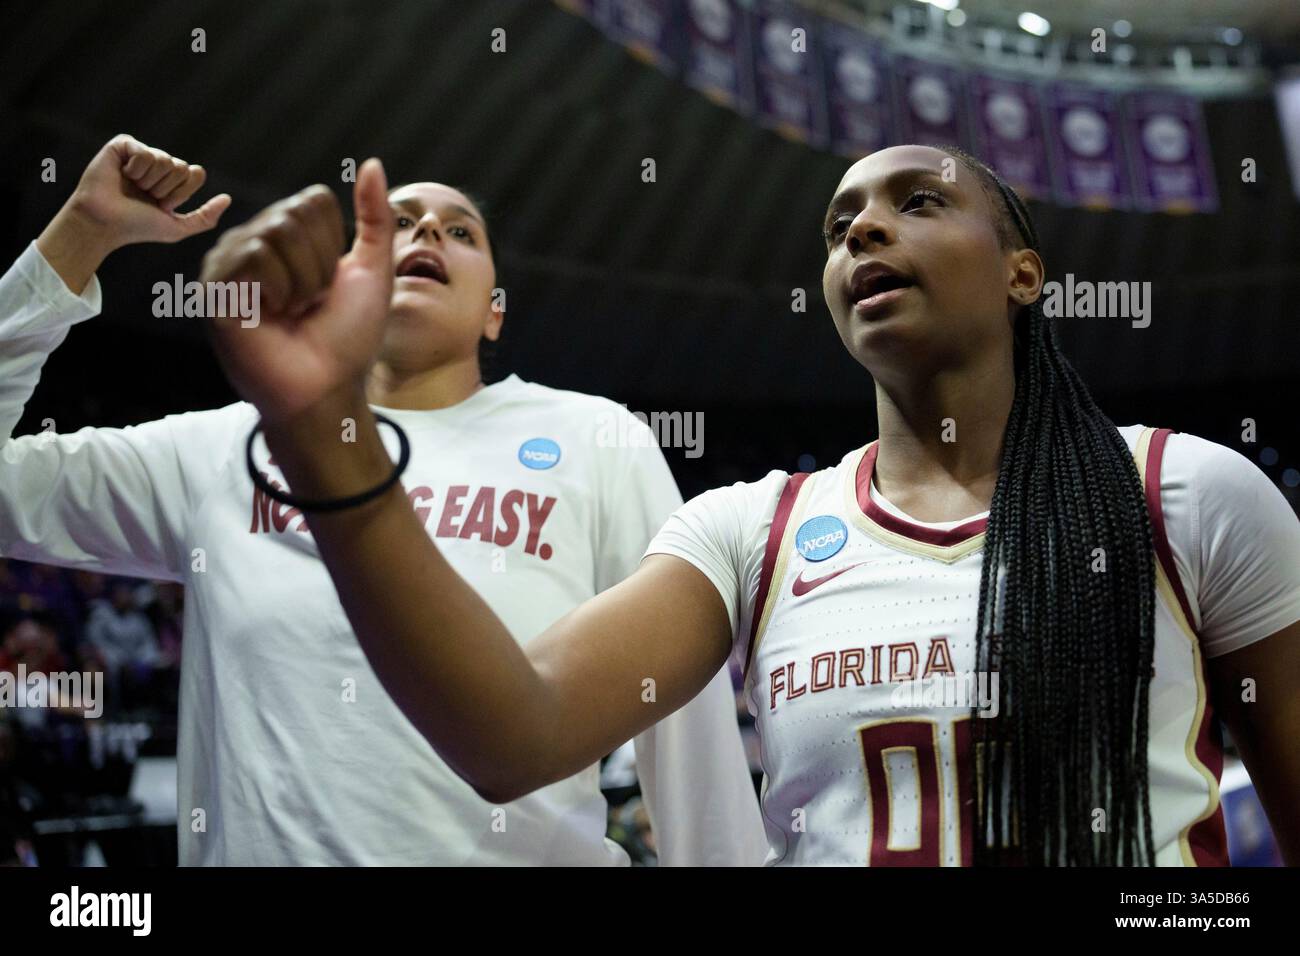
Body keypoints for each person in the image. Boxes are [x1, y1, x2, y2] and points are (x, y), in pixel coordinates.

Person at [203, 146, 1300, 866]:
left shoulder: (1188, 492)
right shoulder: (746, 530)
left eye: (916, 203)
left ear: (1023, 273)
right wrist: (318, 429)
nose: (862, 232)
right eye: (838, 225)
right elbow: (511, 730)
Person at [0, 135, 765, 865]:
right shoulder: (228, 447)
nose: (428, 229)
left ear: (494, 308)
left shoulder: (595, 437)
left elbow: (683, 714)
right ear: (343, 286)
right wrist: (77, 237)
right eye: (395, 224)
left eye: (460, 231)